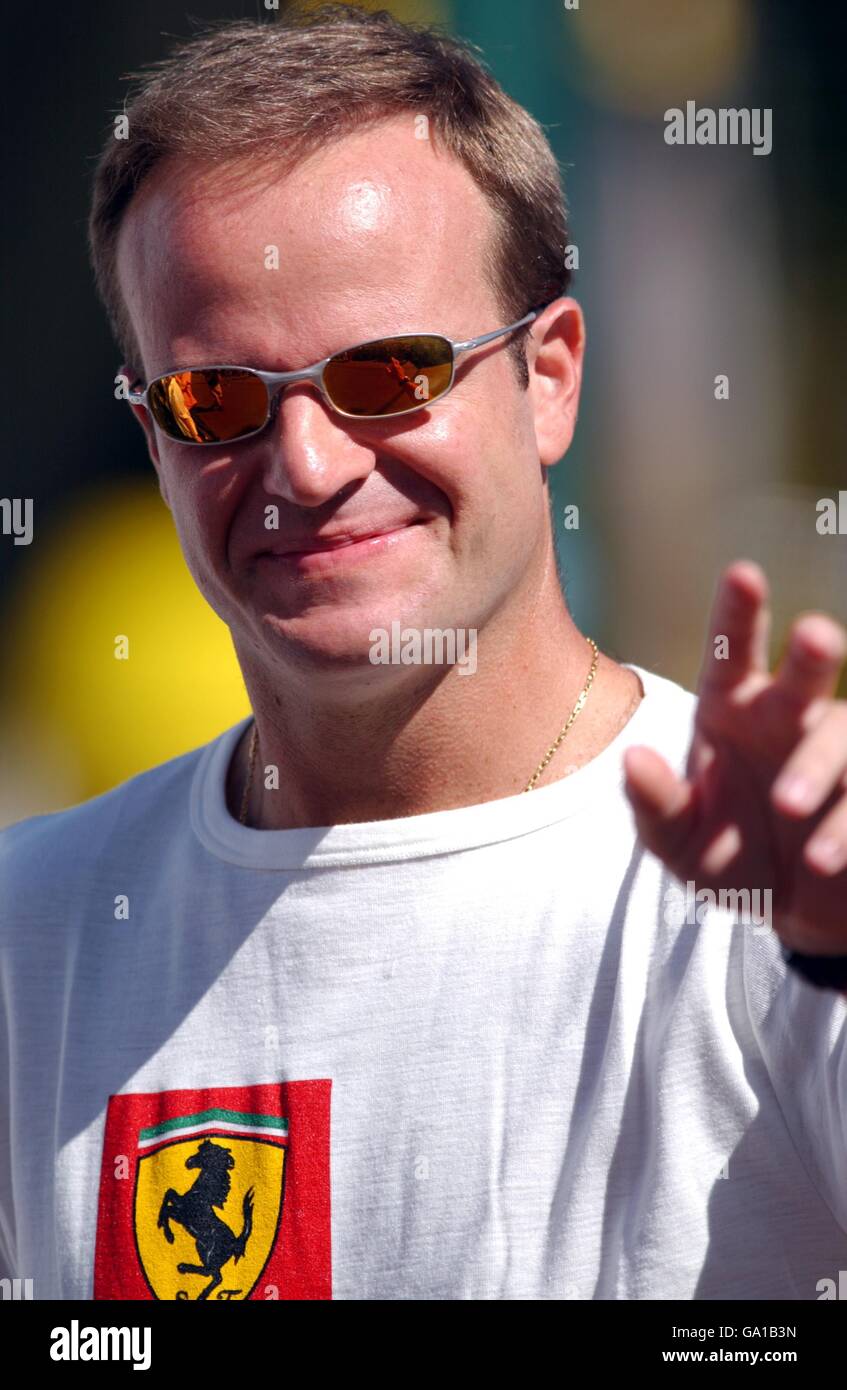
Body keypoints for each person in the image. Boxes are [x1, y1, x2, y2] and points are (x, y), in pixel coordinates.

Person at [1, 4, 846, 1303]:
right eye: (215, 400)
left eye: (387, 374)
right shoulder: (32, 934)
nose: (309, 462)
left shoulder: (772, 892)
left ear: (549, 378)